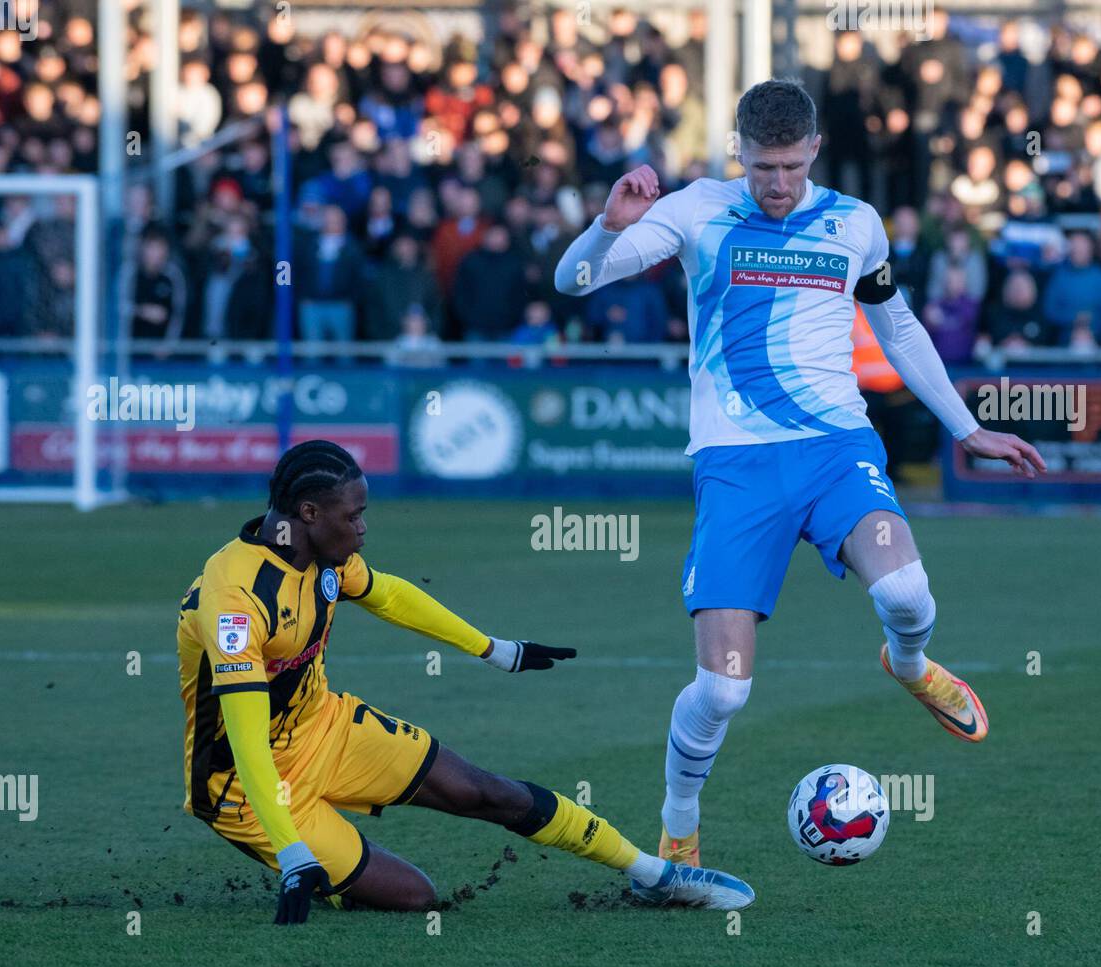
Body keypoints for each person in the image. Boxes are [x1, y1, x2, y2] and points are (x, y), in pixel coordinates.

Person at [554, 80, 1045, 867]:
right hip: (735, 466)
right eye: (760, 168)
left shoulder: (855, 223)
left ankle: (910, 665)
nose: (776, 184)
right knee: (723, 691)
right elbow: (572, 283)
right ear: (737, 154)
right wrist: (603, 231)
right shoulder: (696, 210)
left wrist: (967, 426)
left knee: (906, 594)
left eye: (788, 166)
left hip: (835, 447)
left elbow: (899, 325)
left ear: (814, 149)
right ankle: (680, 816)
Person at [176, 441, 755, 922]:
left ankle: (653, 875)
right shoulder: (237, 599)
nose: (363, 528)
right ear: (307, 512)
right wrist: (292, 848)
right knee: (414, 897)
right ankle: (317, 868)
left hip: (323, 728)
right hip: (244, 785)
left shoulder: (322, 555)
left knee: (485, 791)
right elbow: (247, 741)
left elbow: (388, 594)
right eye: (352, 516)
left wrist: (494, 649)